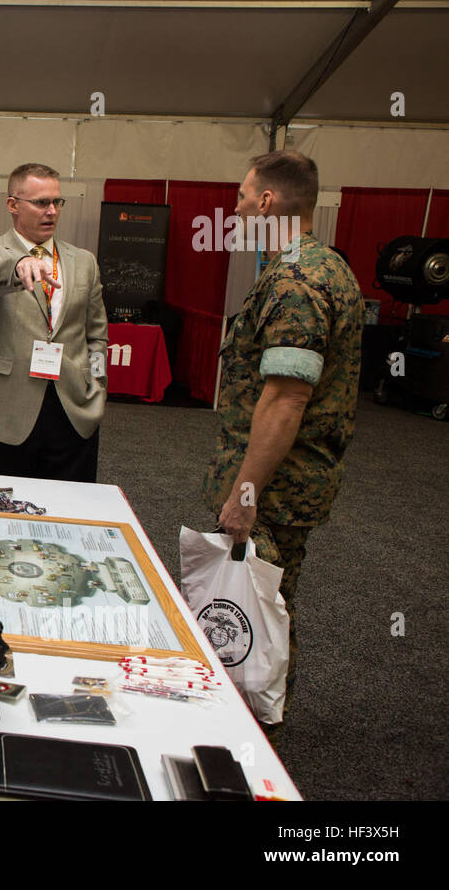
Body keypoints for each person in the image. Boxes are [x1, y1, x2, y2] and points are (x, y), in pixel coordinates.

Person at [203, 150, 363, 727]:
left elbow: (286, 398)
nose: (237, 205)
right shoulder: (321, 264)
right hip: (291, 478)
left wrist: (244, 495)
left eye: (244, 196)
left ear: (267, 202)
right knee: (266, 604)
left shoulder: (296, 279)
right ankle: (255, 719)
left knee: (255, 610)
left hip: (274, 486)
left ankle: (249, 733)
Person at [0, 163, 107, 482]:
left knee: (70, 509)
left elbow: (96, 333)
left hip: (72, 407)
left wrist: (97, 385)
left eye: (57, 202)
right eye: (41, 202)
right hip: (5, 409)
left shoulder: (83, 261)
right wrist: (19, 264)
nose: (52, 212)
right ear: (13, 205)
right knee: (2, 508)